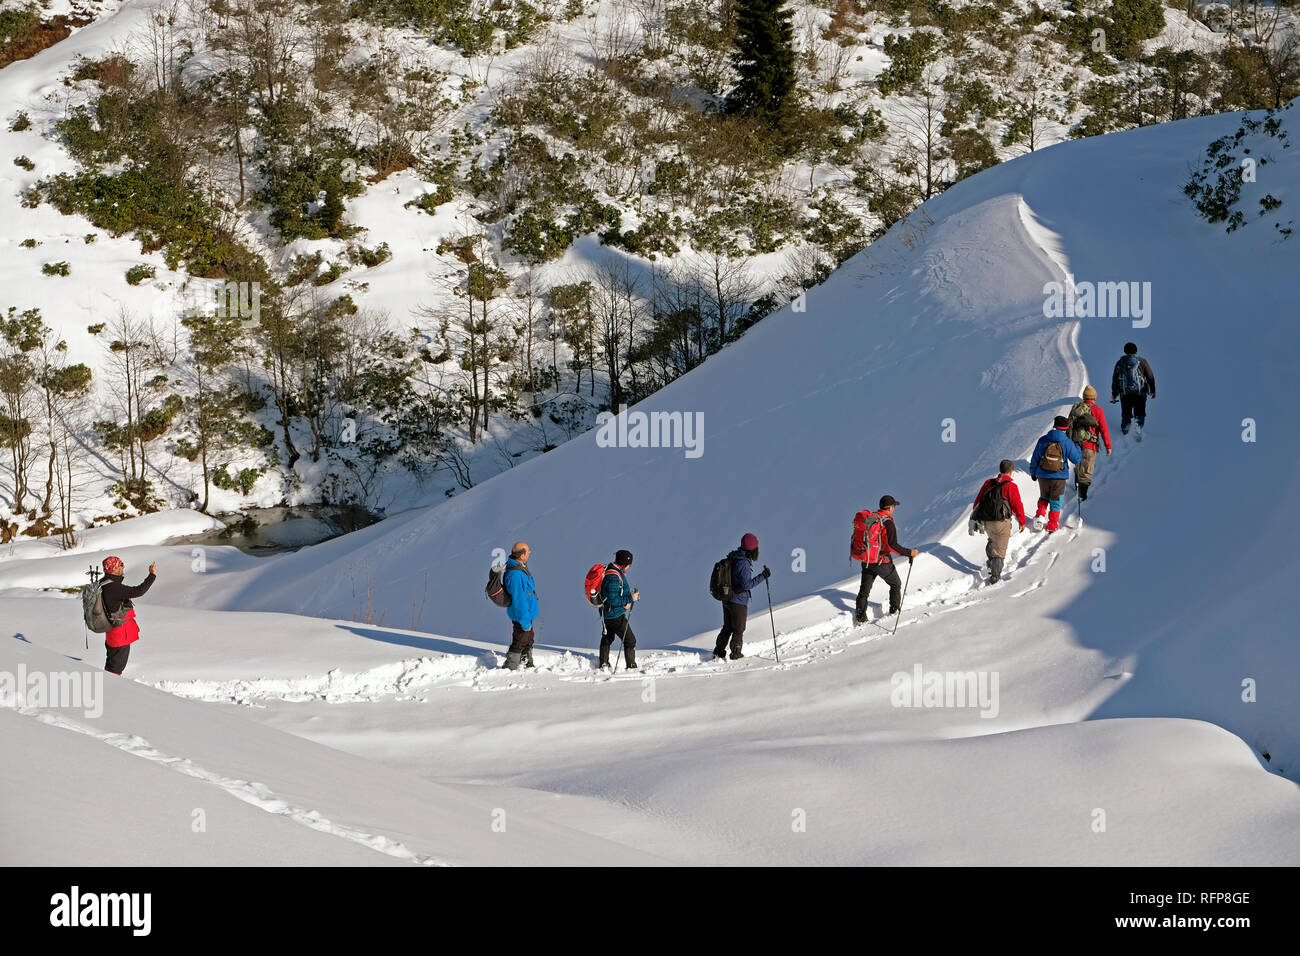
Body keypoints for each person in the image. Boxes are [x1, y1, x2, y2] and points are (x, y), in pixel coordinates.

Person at [853, 495, 919, 624]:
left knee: (864, 590)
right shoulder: (887, 522)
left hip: (867, 560)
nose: (894, 508)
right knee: (896, 584)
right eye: (893, 506)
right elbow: (893, 545)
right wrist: (910, 553)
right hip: (882, 561)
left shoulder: (872, 518)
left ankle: (860, 618)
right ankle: (894, 612)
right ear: (889, 507)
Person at [970, 461, 1027, 584]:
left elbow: (978, 502)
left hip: (987, 521)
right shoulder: (1011, 486)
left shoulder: (988, 483)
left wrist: (976, 518)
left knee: (992, 541)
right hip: (1002, 522)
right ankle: (995, 578)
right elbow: (1017, 505)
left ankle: (991, 564)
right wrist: (1022, 521)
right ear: (1011, 471)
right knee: (999, 552)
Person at [713, 533, 769, 661]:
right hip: (738, 602)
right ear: (753, 549)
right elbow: (746, 585)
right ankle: (736, 653)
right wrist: (763, 576)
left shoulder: (734, 558)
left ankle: (719, 651)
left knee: (727, 627)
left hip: (727, 599)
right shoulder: (743, 563)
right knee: (738, 629)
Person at [100, 556, 157, 675]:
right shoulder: (113, 587)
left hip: (112, 632)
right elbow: (139, 591)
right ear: (114, 569)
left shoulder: (104, 583)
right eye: (121, 564)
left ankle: (108, 686)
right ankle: (110, 689)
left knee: (112, 664)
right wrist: (152, 575)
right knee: (115, 668)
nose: (123, 566)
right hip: (119, 635)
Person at [1029, 416, 1082, 533]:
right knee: (1056, 500)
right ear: (1066, 428)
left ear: (1054, 426)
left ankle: (1040, 516)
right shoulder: (1067, 442)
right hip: (1059, 476)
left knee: (1044, 496)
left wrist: (1033, 472)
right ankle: (1052, 525)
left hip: (1042, 475)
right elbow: (1076, 459)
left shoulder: (1043, 439)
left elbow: (1035, 458)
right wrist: (1077, 447)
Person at [1068, 385, 1112, 501]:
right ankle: (1082, 497)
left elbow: (1069, 426)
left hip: (1076, 444)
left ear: (1084, 397)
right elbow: (1103, 429)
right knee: (1087, 471)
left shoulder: (1076, 409)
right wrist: (1108, 446)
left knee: (1078, 466)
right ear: (1094, 398)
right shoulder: (1098, 410)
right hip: (1090, 446)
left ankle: (1076, 487)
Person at [599, 550, 639, 670]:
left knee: (608, 637)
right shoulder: (613, 576)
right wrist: (630, 598)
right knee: (630, 640)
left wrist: (627, 601)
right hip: (614, 615)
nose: (629, 567)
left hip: (608, 613)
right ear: (624, 563)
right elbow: (613, 599)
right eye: (629, 564)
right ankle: (631, 666)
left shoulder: (613, 572)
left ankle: (603, 663)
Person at [501, 541, 538, 670]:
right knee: (520, 639)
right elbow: (519, 600)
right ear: (522, 555)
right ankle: (510, 667)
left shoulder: (520, 566)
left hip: (527, 612)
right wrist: (525, 621)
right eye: (527, 551)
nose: (530, 552)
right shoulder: (516, 574)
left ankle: (526, 662)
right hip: (522, 614)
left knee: (528, 638)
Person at [1111, 342, 1156, 436]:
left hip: (1125, 394)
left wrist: (1114, 394)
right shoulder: (1142, 361)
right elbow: (1150, 376)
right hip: (1140, 393)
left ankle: (1125, 429)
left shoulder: (1120, 362)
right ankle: (1138, 425)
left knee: (1126, 414)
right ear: (1136, 351)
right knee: (1140, 412)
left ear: (1124, 351)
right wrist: (1153, 390)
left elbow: (1115, 379)